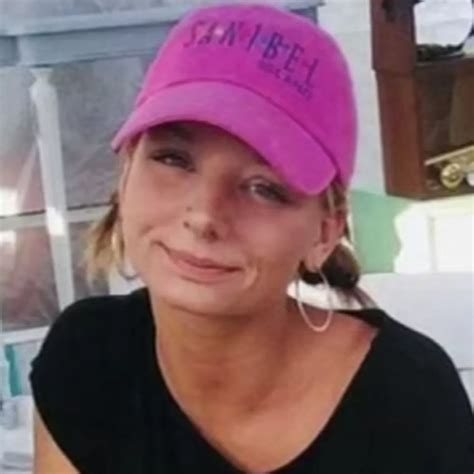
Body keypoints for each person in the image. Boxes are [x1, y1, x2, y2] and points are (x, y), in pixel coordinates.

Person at [30, 3, 474, 473]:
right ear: (125, 175)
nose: (205, 216)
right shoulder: (87, 359)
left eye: (264, 188)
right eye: (174, 159)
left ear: (325, 232)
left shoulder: (407, 401)